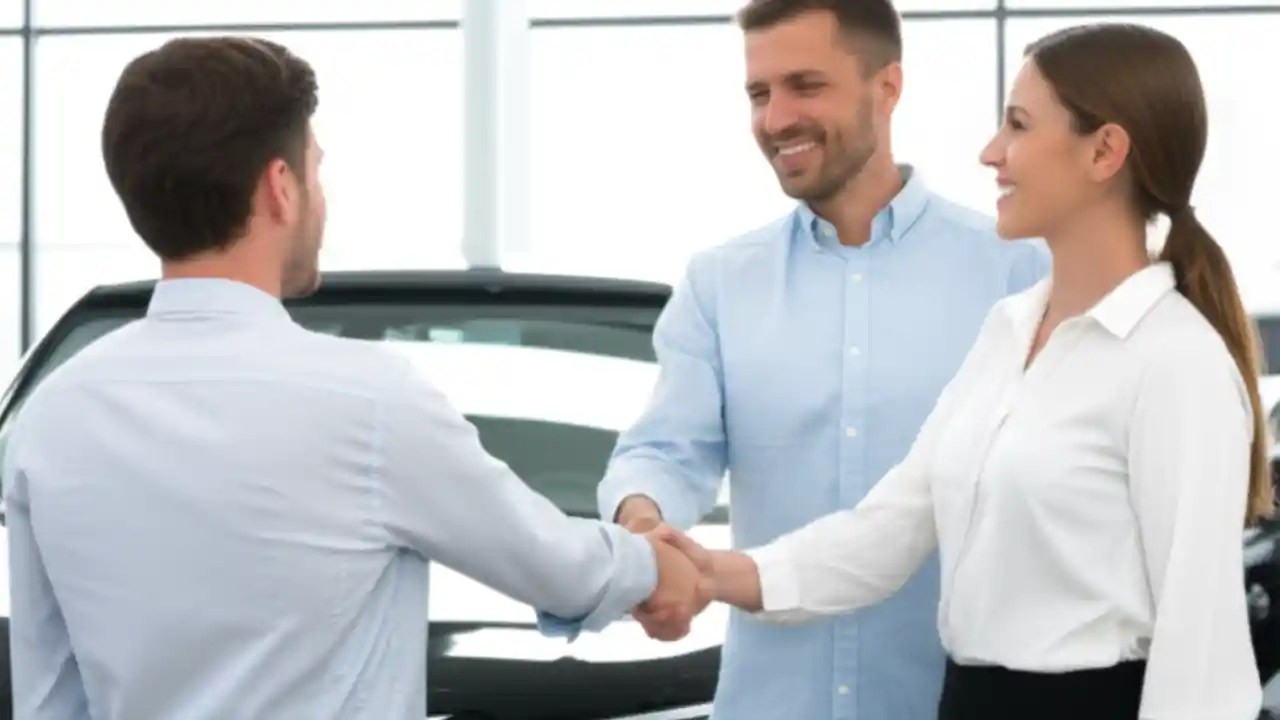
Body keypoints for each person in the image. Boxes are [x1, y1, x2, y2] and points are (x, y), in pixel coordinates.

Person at [0, 37, 711, 720]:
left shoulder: (51, 418)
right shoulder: (366, 402)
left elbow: (48, 697)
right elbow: (557, 565)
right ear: (280, 188)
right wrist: (656, 567)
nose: (319, 194)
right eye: (314, 168)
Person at [668, 21, 1275, 720]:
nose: (992, 153)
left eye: (1017, 125)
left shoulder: (1176, 362)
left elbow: (1201, 656)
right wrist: (714, 574)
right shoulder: (1008, 329)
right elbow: (888, 530)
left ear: (1105, 150)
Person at [592, 0, 1051, 718]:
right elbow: (664, 451)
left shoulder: (1017, 272)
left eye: (806, 86)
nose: (776, 120)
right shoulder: (720, 283)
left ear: (888, 87)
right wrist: (647, 526)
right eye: (758, 93)